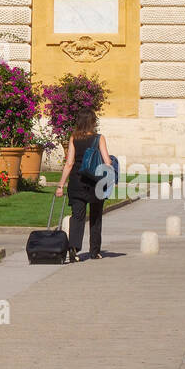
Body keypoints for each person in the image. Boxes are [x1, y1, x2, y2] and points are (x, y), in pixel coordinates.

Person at [55, 110, 112, 262]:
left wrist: (61, 185)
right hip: (95, 183)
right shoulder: (99, 138)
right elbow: (107, 162)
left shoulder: (74, 138)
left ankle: (74, 248)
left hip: (77, 181)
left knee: (78, 217)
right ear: (93, 122)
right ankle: (94, 252)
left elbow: (69, 163)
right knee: (95, 217)